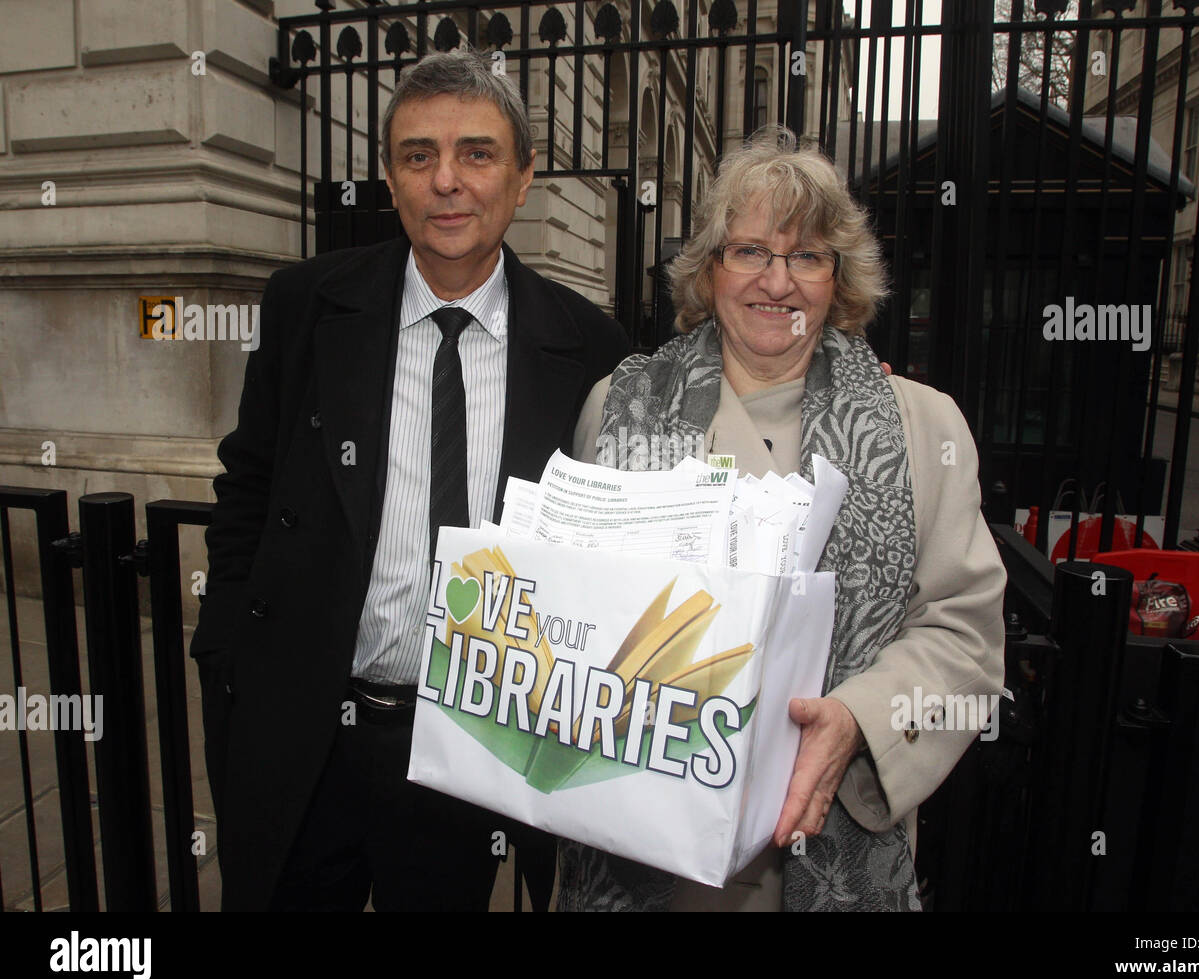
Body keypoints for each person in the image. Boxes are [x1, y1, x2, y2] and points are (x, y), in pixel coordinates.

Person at [191, 50, 630, 911]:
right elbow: (247, 483)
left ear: (524, 175)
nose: (448, 182)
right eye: (419, 156)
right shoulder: (306, 307)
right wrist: (227, 648)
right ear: (390, 178)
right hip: (312, 728)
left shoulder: (589, 349)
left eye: (477, 153)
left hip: (469, 751)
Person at [562, 127, 1006, 911]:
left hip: (835, 848)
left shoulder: (921, 427)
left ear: (840, 279)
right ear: (708, 269)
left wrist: (859, 721)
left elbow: (964, 631)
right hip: (647, 853)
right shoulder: (617, 407)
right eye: (750, 253)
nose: (779, 281)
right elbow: (573, 604)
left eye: (807, 256)